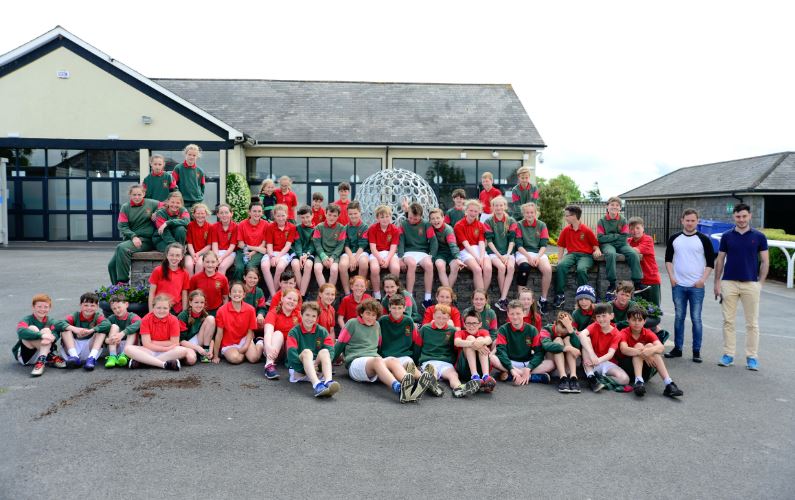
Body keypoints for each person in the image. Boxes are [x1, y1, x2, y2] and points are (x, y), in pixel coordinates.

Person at [334, 299, 428, 403]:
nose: (370, 317)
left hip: (373, 361)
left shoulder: (377, 326)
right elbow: (339, 345)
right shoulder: (352, 323)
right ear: (361, 313)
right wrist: (327, 365)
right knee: (378, 360)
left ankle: (409, 385)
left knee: (392, 360)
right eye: (367, 313)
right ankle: (398, 388)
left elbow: (378, 346)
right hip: (356, 363)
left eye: (373, 315)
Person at [713, 203, 769, 370]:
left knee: (752, 323)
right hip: (729, 283)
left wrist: (761, 283)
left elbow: (765, 261)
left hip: (751, 284)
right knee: (728, 321)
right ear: (734, 217)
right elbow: (720, 260)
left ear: (750, 216)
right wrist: (717, 282)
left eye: (744, 216)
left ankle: (752, 357)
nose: (741, 219)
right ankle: (728, 355)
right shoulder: (727, 236)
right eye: (738, 216)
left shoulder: (759, 236)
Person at [664, 208, 715, 363]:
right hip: (678, 285)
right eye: (687, 220)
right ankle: (678, 349)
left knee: (696, 318)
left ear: (697, 221)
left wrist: (702, 280)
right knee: (679, 317)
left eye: (693, 220)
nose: (690, 223)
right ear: (682, 220)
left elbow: (710, 262)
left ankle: (696, 351)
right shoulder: (674, 238)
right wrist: (672, 278)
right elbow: (668, 260)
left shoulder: (704, 239)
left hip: (696, 287)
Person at [415, 305, 481, 398]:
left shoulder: (452, 330)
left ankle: (459, 388)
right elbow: (417, 346)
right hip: (429, 361)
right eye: (438, 317)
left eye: (444, 318)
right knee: (431, 373)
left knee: (453, 375)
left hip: (446, 362)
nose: (441, 320)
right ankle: (434, 386)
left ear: (449, 318)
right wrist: (416, 362)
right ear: (433, 316)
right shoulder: (425, 329)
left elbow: (456, 349)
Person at [618, 306, 683, 398]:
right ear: (628, 320)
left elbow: (661, 347)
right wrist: (645, 354)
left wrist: (650, 351)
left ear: (644, 321)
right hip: (627, 368)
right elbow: (623, 349)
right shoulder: (624, 332)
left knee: (651, 346)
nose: (637, 323)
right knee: (639, 346)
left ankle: (669, 383)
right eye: (633, 320)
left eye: (640, 320)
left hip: (645, 369)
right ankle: (638, 382)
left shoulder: (647, 332)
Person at [377, 295, 431, 395]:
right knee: (401, 371)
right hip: (388, 357)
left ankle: (425, 381)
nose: (396, 311)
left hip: (404, 355)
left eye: (399, 308)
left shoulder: (408, 321)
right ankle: (411, 386)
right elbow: (378, 341)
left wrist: (415, 359)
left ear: (404, 308)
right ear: (389, 308)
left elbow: (415, 341)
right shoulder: (382, 321)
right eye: (394, 308)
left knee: (410, 366)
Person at [490, 300, 553, 385]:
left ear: (524, 313)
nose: (515, 317)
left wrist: (528, 368)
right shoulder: (503, 329)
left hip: (527, 363)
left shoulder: (532, 330)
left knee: (551, 364)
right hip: (510, 362)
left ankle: (511, 376)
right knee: (492, 358)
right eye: (512, 314)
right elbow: (501, 351)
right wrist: (511, 368)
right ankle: (531, 377)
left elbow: (539, 353)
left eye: (518, 313)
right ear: (508, 314)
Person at [126, 294, 195, 370]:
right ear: (153, 307)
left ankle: (145, 361)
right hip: (152, 350)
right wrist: (165, 348)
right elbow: (146, 344)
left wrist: (153, 342)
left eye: (165, 308)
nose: (161, 311)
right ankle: (163, 364)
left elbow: (174, 342)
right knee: (128, 349)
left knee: (183, 350)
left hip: (169, 351)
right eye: (158, 308)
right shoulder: (146, 319)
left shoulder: (174, 320)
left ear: (169, 308)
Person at [108, 184, 159, 284]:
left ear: (144, 194)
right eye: (134, 195)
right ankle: (116, 290)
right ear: (130, 195)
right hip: (132, 239)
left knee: (122, 248)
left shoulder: (152, 203)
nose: (137, 197)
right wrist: (133, 236)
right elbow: (122, 226)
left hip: (146, 240)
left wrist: (158, 212)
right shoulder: (125, 207)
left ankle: (123, 282)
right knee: (111, 265)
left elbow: (167, 205)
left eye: (139, 194)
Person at [286, 302, 340, 398]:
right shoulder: (294, 332)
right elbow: (291, 354)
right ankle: (317, 385)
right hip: (300, 368)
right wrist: (303, 369)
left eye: (313, 316)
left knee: (325, 351)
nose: (310, 319)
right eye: (307, 315)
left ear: (317, 318)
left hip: (316, 368)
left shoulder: (322, 331)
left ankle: (328, 381)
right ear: (301, 315)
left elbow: (330, 350)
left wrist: (318, 366)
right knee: (307, 352)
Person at [596, 196, 646, 299]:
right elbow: (600, 238)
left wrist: (609, 237)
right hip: (607, 245)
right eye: (612, 205)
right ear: (607, 206)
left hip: (622, 244)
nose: (614, 207)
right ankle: (612, 283)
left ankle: (637, 282)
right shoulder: (601, 221)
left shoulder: (623, 220)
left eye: (617, 205)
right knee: (610, 254)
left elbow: (624, 237)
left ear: (620, 208)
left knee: (633, 253)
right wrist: (615, 236)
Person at [553, 205, 601, 309]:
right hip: (571, 254)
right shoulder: (566, 230)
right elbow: (561, 246)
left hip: (586, 256)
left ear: (574, 216)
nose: (565, 218)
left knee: (581, 269)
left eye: (567, 216)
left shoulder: (586, 230)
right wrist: (559, 259)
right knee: (561, 266)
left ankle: (582, 296)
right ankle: (560, 295)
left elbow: (595, 245)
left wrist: (597, 250)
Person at [578, 302, 630, 392]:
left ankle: (600, 379)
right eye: (598, 316)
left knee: (625, 379)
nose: (601, 319)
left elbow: (610, 354)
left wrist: (598, 360)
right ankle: (591, 377)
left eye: (604, 316)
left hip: (605, 361)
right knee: (586, 339)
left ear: (611, 316)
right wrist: (592, 355)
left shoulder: (616, 333)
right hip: (590, 360)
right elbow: (582, 334)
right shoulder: (595, 326)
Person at [13, 294, 66, 377]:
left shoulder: (51, 321)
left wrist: (53, 337)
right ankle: (49, 356)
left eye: (46, 307)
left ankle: (42, 361)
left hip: (42, 351)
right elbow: (21, 331)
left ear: (50, 308)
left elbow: (56, 332)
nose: (42, 309)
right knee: (32, 328)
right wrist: (42, 335)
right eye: (39, 307)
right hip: (27, 355)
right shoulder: (27, 319)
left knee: (47, 330)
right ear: (33, 307)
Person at [398, 202, 437, 306]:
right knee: (411, 264)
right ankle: (409, 297)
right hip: (408, 252)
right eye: (410, 217)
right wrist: (400, 257)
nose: (412, 220)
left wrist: (431, 256)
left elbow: (433, 241)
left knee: (429, 265)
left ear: (420, 216)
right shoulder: (403, 224)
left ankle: (427, 299)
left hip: (422, 252)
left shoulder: (426, 224)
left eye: (415, 219)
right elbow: (400, 241)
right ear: (408, 214)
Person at [515, 202, 552, 312]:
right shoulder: (519, 225)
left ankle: (543, 299)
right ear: (523, 213)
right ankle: (520, 301)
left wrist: (537, 257)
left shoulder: (542, 225)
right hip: (523, 252)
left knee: (548, 269)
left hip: (538, 252)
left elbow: (544, 245)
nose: (529, 215)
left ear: (536, 213)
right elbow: (519, 245)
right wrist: (529, 257)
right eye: (527, 213)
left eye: (532, 212)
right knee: (524, 267)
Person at [57, 292, 107, 370]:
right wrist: (75, 329)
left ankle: (91, 358)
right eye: (86, 305)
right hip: (73, 348)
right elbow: (59, 324)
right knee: (65, 329)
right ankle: (74, 357)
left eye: (92, 305)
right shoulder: (75, 316)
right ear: (80, 305)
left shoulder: (97, 317)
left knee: (101, 332)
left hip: (90, 348)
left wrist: (91, 330)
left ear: (97, 306)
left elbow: (107, 324)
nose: (89, 308)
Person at [212, 282, 259, 365]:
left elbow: (250, 330)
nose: (237, 294)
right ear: (229, 294)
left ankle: (260, 344)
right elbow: (219, 334)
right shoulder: (222, 310)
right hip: (229, 343)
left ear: (244, 295)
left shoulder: (250, 309)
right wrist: (215, 355)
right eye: (234, 291)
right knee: (235, 358)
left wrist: (245, 346)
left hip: (244, 339)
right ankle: (242, 354)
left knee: (254, 358)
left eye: (240, 292)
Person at [484, 196, 518, 311]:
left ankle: (502, 298)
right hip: (494, 253)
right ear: (492, 207)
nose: (498, 207)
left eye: (501, 205)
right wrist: (500, 256)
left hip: (508, 252)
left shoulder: (511, 221)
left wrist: (507, 255)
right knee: (502, 268)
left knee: (511, 267)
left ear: (505, 206)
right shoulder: (488, 221)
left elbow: (512, 240)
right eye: (496, 205)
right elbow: (489, 242)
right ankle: (503, 299)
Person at [262, 289, 302, 380]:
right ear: (282, 298)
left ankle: (295, 364)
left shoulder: (299, 315)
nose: (291, 301)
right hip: (274, 349)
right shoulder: (273, 312)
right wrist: (268, 346)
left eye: (294, 300)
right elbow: (268, 332)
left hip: (290, 349)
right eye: (289, 298)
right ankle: (269, 365)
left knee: (293, 337)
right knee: (278, 333)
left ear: (297, 303)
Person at [454, 199, 492, 290]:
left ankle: (483, 297)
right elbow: (465, 244)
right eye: (471, 210)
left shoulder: (480, 225)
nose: (473, 213)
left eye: (476, 211)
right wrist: (477, 257)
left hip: (479, 250)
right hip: (465, 251)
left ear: (479, 212)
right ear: (466, 211)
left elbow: (482, 242)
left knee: (488, 269)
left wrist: (482, 257)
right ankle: (481, 297)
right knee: (478, 270)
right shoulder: (459, 225)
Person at [454, 310, 496, 393]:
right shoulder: (460, 332)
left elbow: (489, 340)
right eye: (468, 323)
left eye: (474, 323)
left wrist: (480, 343)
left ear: (480, 324)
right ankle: (474, 376)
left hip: (481, 368)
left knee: (481, 339)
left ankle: (485, 376)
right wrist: (474, 344)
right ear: (464, 324)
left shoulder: (484, 332)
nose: (471, 326)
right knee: (470, 338)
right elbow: (457, 342)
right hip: (465, 369)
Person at [263, 204, 298, 297]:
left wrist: (278, 257)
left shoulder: (292, 227)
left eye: (283, 215)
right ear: (274, 216)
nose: (281, 218)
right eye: (278, 216)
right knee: (264, 266)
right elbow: (269, 245)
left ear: (287, 215)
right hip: (272, 252)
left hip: (284, 253)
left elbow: (288, 246)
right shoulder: (270, 227)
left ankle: (272, 296)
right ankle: (273, 294)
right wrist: (272, 256)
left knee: (280, 267)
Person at [543, 311, 582, 394]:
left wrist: (570, 331)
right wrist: (567, 348)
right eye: (558, 332)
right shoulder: (546, 329)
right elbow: (545, 345)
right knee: (558, 339)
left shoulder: (571, 330)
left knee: (567, 339)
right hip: (553, 366)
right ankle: (562, 378)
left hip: (568, 368)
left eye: (564, 332)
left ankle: (573, 377)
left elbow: (578, 347)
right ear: (555, 323)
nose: (560, 334)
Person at [367, 205, 401, 299]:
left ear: (390, 217)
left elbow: (393, 248)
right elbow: (373, 248)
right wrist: (380, 259)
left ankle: (394, 294)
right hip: (376, 253)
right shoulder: (372, 229)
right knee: (374, 269)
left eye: (387, 216)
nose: (385, 219)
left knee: (395, 268)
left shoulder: (394, 229)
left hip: (389, 253)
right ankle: (377, 295)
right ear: (377, 218)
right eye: (382, 217)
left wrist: (387, 259)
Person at [628, 216, 662, 306]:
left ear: (643, 228)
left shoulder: (648, 239)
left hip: (651, 280)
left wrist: (624, 249)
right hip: (637, 282)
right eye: (632, 229)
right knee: (638, 312)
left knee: (653, 310)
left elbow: (635, 250)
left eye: (637, 228)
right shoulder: (629, 241)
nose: (635, 231)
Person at [148, 243, 190, 314]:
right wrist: (151, 311)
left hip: (176, 309)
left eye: (177, 255)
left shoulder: (184, 273)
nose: (174, 258)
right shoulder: (158, 270)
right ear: (167, 255)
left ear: (182, 257)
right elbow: (152, 293)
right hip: (160, 308)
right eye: (171, 255)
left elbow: (184, 294)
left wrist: (184, 312)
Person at [102, 295, 141, 368]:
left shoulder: (132, 316)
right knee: (114, 327)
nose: (117, 310)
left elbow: (139, 322)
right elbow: (102, 328)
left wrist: (123, 333)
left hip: (130, 347)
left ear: (126, 305)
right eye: (114, 308)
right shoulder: (111, 318)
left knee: (132, 330)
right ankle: (113, 356)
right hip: (116, 344)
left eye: (119, 307)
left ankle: (124, 354)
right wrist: (107, 340)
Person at [233, 201, 270, 281]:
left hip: (258, 252)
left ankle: (252, 290)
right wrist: (249, 248)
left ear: (262, 212)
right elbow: (240, 244)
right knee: (239, 268)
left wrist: (253, 252)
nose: (257, 213)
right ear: (249, 212)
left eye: (259, 211)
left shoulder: (266, 224)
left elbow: (263, 245)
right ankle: (238, 287)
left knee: (250, 267)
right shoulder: (242, 224)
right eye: (254, 211)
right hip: (243, 250)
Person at [339, 201, 369, 295]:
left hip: (361, 252)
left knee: (363, 263)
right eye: (350, 214)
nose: (353, 216)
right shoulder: (345, 228)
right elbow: (346, 245)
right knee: (343, 265)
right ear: (348, 214)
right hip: (349, 253)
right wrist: (352, 258)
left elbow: (363, 245)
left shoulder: (364, 227)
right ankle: (347, 293)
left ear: (360, 213)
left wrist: (355, 259)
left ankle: (360, 290)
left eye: (355, 213)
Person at [177, 290, 216, 363]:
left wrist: (210, 350)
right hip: (187, 345)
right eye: (196, 302)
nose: (199, 305)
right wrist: (198, 348)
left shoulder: (205, 315)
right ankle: (196, 353)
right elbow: (181, 340)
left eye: (202, 302)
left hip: (200, 343)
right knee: (190, 360)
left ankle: (205, 352)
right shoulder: (183, 316)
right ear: (190, 303)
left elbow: (211, 337)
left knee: (211, 318)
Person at [312, 204, 346, 288]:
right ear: (325, 214)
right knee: (317, 268)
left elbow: (340, 245)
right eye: (329, 215)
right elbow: (317, 244)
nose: (332, 218)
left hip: (334, 255)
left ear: (338, 216)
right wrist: (323, 256)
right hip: (321, 254)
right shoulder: (319, 227)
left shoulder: (341, 228)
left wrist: (332, 258)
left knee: (334, 269)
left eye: (335, 216)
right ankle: (323, 292)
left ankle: (330, 291)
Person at [429, 207, 464, 288]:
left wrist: (458, 258)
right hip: (439, 253)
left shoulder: (448, 230)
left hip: (451, 253)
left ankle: (447, 291)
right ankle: (448, 293)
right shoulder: (429, 228)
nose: (436, 220)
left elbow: (453, 245)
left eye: (438, 218)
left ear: (443, 218)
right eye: (433, 219)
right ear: (430, 220)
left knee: (455, 267)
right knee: (440, 265)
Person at [189, 251, 229, 316]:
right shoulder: (195, 278)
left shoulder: (223, 279)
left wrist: (224, 312)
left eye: (213, 262)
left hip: (216, 310)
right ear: (203, 263)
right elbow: (190, 296)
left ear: (217, 263)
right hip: (199, 310)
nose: (210, 265)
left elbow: (225, 298)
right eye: (207, 262)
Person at [169, 144, 206, 210]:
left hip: (197, 202)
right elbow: (173, 185)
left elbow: (202, 187)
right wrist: (178, 197)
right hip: (183, 202)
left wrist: (199, 196)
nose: (191, 157)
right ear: (185, 154)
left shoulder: (200, 171)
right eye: (189, 154)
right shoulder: (178, 168)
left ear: (197, 156)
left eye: (194, 155)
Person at [292, 205, 316, 297]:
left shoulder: (316, 229)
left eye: (307, 217)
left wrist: (307, 254)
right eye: (302, 218)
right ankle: (301, 293)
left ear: (312, 215)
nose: (305, 219)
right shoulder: (297, 228)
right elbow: (297, 243)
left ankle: (301, 295)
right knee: (295, 264)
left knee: (308, 265)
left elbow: (313, 245)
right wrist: (300, 256)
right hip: (298, 252)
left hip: (309, 253)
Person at [184, 203, 213, 276]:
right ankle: (190, 286)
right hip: (191, 253)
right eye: (198, 213)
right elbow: (189, 243)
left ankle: (197, 285)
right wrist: (193, 254)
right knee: (188, 265)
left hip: (204, 253)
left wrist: (198, 254)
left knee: (200, 264)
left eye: (202, 213)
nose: (200, 215)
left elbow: (209, 246)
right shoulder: (190, 225)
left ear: (206, 214)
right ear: (193, 214)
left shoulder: (210, 227)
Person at [212, 203, 238, 277]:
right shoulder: (214, 227)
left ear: (231, 214)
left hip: (230, 253)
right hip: (217, 252)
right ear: (218, 215)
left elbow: (232, 247)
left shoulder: (235, 227)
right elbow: (214, 244)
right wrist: (217, 257)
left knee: (222, 267)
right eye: (221, 213)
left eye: (226, 212)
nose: (224, 215)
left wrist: (222, 258)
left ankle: (221, 288)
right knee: (210, 266)